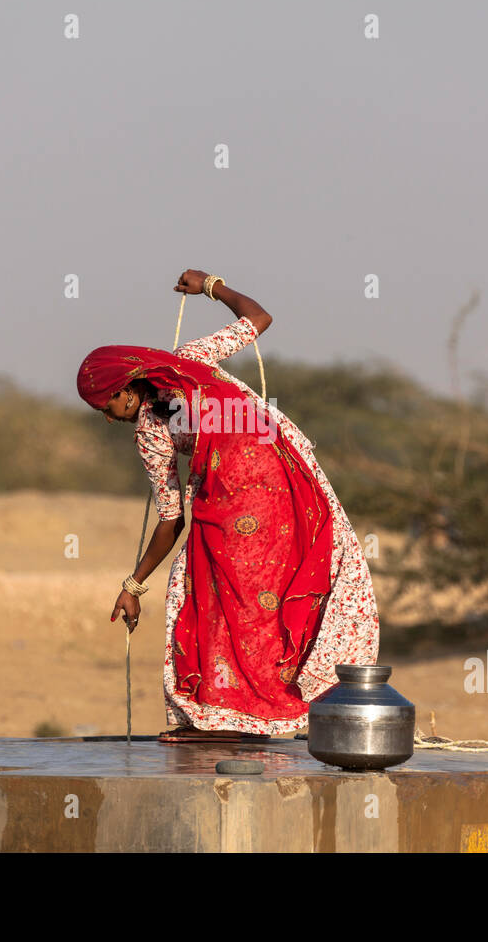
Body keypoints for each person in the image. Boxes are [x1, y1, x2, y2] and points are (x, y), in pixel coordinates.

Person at [76, 270, 379, 740]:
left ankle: (226, 719)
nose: (108, 418)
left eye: (105, 407)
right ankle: (243, 716)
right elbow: (259, 317)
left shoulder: (152, 428)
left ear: (125, 389)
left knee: (207, 596)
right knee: (263, 599)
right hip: (287, 484)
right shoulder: (188, 362)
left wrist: (134, 585)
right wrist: (212, 286)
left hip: (245, 497)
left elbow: (171, 519)